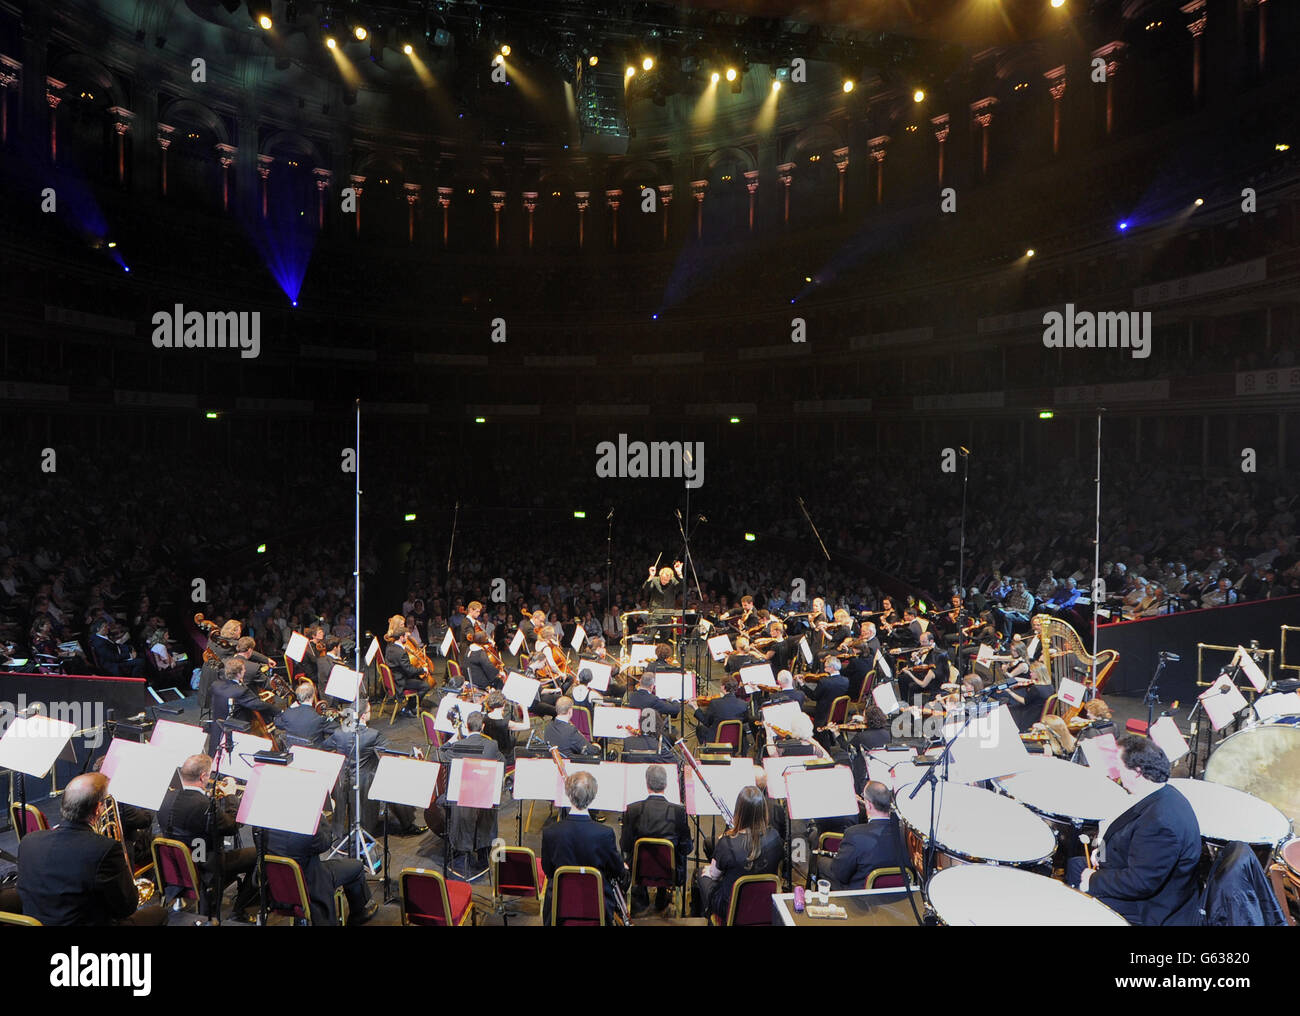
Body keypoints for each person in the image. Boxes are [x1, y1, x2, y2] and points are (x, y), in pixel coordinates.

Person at [1069, 736, 1201, 926]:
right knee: (1075, 865)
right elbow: (1128, 841)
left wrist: (1095, 879)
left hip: (1150, 908)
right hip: (1140, 878)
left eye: (1120, 767)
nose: (1117, 772)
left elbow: (1140, 883)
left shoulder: (1161, 822)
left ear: (1137, 772)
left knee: (1079, 880)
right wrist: (1101, 853)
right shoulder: (1159, 794)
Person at [8, 773, 167, 925]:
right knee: (160, 913)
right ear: (98, 808)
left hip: (39, 922)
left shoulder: (29, 841)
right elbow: (126, 908)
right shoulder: (104, 849)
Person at [156, 753, 260, 919]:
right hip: (204, 866)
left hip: (176, 864)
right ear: (203, 776)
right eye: (210, 774)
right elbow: (232, 826)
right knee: (259, 854)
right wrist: (230, 796)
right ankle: (242, 908)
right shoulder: (205, 806)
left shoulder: (165, 798)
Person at [540, 770, 627, 924]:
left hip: (560, 906)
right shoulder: (605, 834)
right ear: (593, 796)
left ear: (568, 793)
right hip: (596, 905)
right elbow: (616, 870)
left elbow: (548, 870)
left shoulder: (550, 832)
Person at [263, 816, 379, 926]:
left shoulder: (261, 825)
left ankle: (300, 919)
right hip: (310, 883)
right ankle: (358, 915)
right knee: (357, 866)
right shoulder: (306, 823)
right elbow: (325, 843)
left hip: (278, 887)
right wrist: (320, 816)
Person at [695, 785, 783, 921]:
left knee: (701, 874)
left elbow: (714, 875)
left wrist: (708, 871)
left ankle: (710, 918)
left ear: (739, 812)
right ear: (763, 810)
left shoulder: (727, 843)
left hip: (731, 910)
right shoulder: (775, 837)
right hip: (764, 904)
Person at [620, 764, 691, 915]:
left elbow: (625, 845)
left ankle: (641, 892)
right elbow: (687, 848)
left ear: (647, 784)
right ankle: (663, 892)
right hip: (669, 871)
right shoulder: (678, 812)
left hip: (638, 870)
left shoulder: (633, 810)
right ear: (665, 784)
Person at [440, 711, 503, 879]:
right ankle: (483, 852)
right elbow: (502, 761)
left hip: (463, 798)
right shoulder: (492, 745)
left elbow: (439, 755)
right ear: (482, 727)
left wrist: (452, 740)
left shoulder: (458, 746)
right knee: (489, 810)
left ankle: (459, 846)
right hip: (483, 797)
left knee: (444, 802)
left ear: (467, 727)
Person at [828, 781, 906, 890]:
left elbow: (840, 874)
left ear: (868, 805)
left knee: (823, 864)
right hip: (899, 897)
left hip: (862, 899)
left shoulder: (854, 835)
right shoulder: (906, 835)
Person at [691, 677, 749, 749]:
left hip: (716, 740)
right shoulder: (743, 704)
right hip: (736, 741)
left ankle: (707, 751)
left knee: (700, 729)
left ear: (724, 687)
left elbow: (707, 722)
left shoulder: (715, 703)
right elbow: (745, 720)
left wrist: (695, 707)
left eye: (721, 685)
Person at [276, 681, 337, 746]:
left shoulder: (288, 713)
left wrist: (289, 709)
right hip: (315, 752)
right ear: (313, 696)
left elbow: (277, 723)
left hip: (294, 751)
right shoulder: (319, 716)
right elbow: (337, 731)